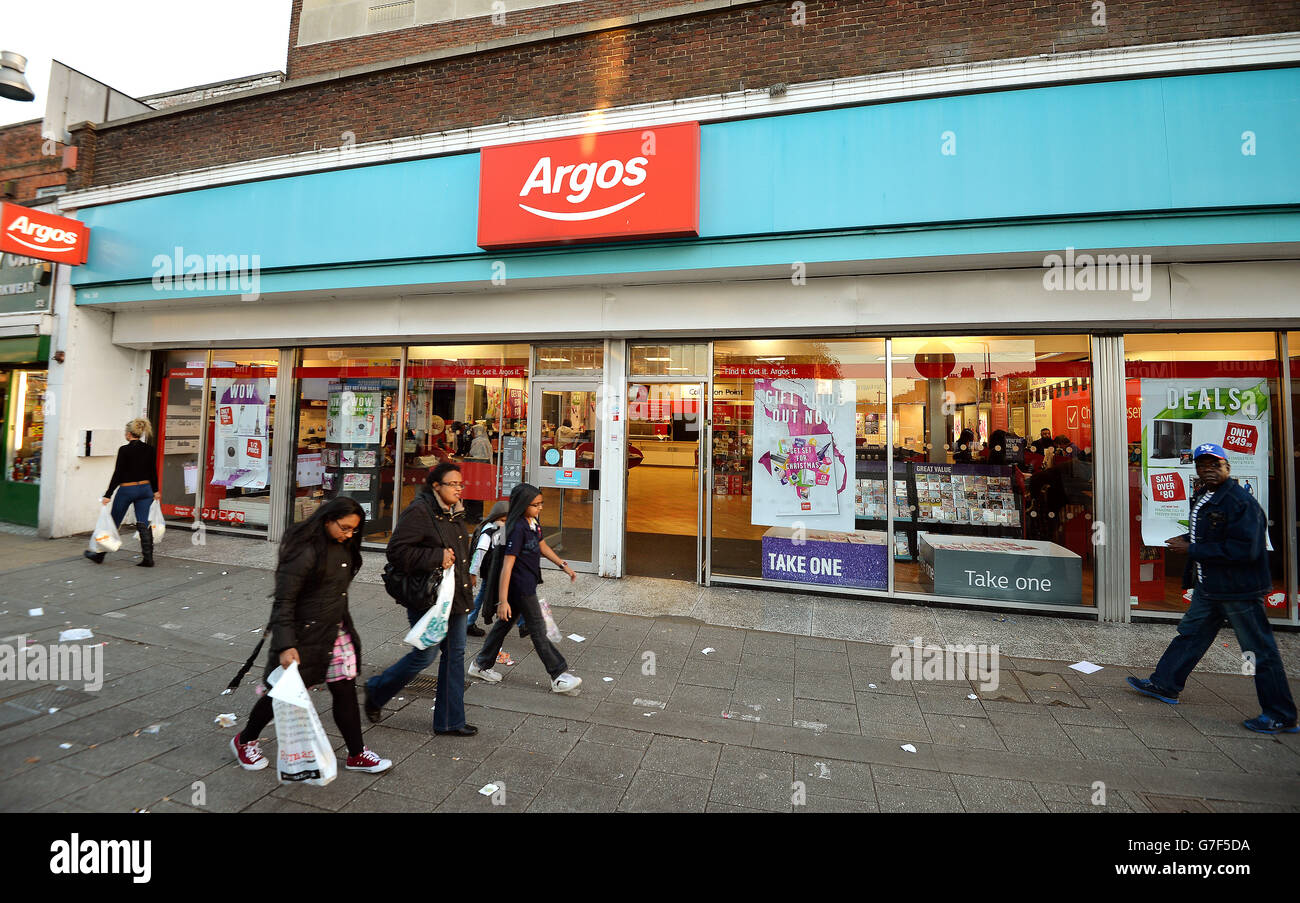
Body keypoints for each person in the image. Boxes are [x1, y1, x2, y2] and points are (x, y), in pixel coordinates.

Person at [1127, 443, 1297, 734]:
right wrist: (1187, 538)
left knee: (1258, 651)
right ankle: (1165, 684)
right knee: (1191, 635)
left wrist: (1193, 548)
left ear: (1227, 467)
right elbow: (1212, 532)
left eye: (1214, 464)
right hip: (1211, 587)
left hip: (1239, 590)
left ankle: (1280, 713)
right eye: (1202, 465)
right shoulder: (1207, 495)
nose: (1207, 469)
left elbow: (1246, 550)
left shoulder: (1240, 502)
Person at [230, 497, 393, 773]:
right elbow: (284, 601)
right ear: (327, 520)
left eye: (354, 529)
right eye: (344, 528)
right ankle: (245, 740)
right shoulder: (304, 550)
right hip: (303, 635)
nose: (349, 534)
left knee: (344, 688)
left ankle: (356, 753)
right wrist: (285, 645)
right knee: (284, 693)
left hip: (335, 630)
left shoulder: (344, 546)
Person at [364, 461, 477, 735]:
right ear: (436, 486)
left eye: (461, 484)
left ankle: (450, 721)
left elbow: (459, 548)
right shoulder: (420, 511)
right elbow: (397, 551)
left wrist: (469, 571)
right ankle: (378, 689)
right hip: (429, 598)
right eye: (453, 484)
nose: (459, 489)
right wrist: (437, 557)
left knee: (456, 655)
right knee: (425, 656)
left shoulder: (453, 512)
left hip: (456, 596)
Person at [467, 482, 582, 694]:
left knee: (502, 627)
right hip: (519, 589)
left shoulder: (532, 522)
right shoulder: (516, 529)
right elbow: (506, 567)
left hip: (527, 584)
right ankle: (558, 675)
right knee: (538, 630)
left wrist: (563, 565)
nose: (540, 508)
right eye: (535, 504)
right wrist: (503, 601)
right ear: (522, 505)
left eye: (541, 503)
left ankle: (480, 665)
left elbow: (542, 545)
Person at [86, 418, 161, 567]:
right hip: (145, 490)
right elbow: (153, 472)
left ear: (128, 434)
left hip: (127, 489)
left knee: (113, 522)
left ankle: (99, 555)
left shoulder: (124, 450)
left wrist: (108, 494)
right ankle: (148, 558)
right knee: (144, 522)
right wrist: (156, 490)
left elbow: (118, 474)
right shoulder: (150, 449)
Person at [465, 500, 509, 637]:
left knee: (486, 593)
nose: (504, 522)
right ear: (495, 517)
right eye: (502, 519)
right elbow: (480, 552)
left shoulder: (499, 528)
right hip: (490, 569)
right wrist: (472, 573)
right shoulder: (488, 531)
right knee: (484, 593)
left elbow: (502, 548)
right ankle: (468, 621)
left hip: (495, 569)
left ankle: (469, 621)